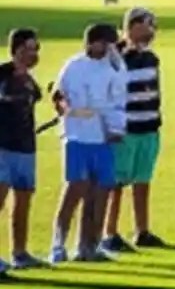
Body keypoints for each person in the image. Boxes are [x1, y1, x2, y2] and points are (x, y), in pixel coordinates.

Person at [49, 23, 127, 264]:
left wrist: (116, 128)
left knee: (101, 192)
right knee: (76, 189)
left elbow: (119, 101)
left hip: (103, 138)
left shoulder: (116, 67)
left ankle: (89, 246)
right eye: (106, 42)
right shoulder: (74, 65)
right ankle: (58, 245)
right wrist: (65, 109)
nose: (110, 48)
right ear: (93, 42)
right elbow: (58, 94)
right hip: (77, 136)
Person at [102, 8, 165, 253]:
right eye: (149, 25)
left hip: (149, 127)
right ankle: (110, 231)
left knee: (142, 179)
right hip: (126, 130)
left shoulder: (151, 58)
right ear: (133, 26)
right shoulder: (115, 58)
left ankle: (142, 230)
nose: (153, 31)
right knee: (117, 182)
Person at [0, 28, 45, 273]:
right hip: (2, 148)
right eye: (30, 48)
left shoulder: (30, 83)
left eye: (36, 48)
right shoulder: (2, 75)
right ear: (17, 49)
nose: (35, 53)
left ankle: (20, 252)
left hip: (26, 149)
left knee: (23, 201)